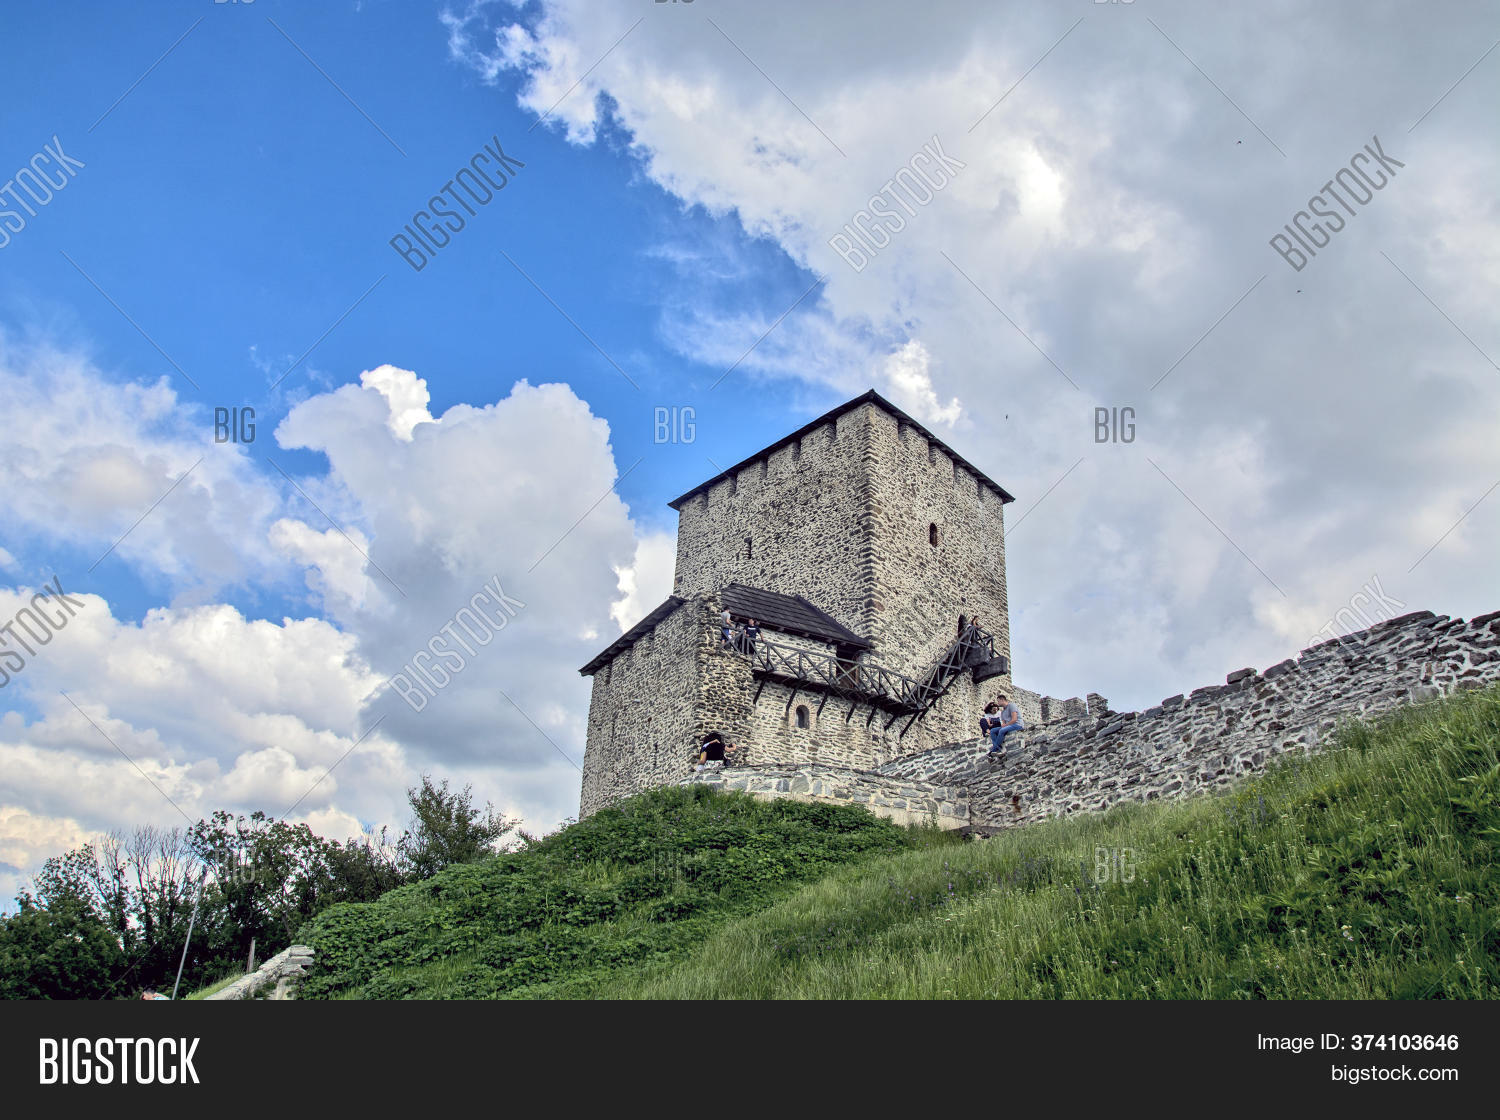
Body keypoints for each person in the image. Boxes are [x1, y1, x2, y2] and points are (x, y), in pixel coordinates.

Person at [987, 693, 1024, 759]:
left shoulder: (1011, 706)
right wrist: (1004, 725)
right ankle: (998, 748)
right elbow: (1003, 723)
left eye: (998, 701)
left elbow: (1014, 719)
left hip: (1017, 724)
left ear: (1002, 700)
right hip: (1009, 726)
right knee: (992, 731)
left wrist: (1005, 726)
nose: (998, 703)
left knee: (1002, 730)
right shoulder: (1003, 712)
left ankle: (993, 750)